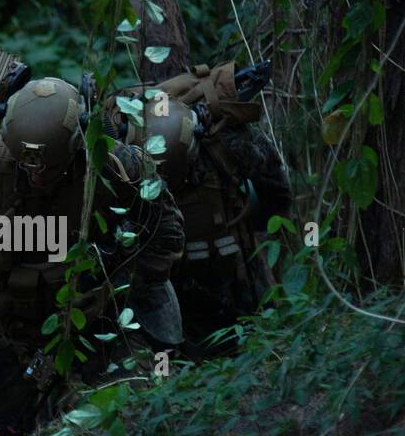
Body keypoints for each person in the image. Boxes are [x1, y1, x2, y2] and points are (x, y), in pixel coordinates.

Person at [0, 76, 184, 436]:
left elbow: (167, 232)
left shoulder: (118, 166)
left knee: (128, 419)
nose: (35, 175)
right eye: (26, 164)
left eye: (46, 167)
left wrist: (120, 288)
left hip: (96, 323)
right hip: (5, 326)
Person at [121, 72, 291, 355]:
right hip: (168, 285)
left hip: (234, 273)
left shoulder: (228, 145)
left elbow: (277, 190)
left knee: (254, 342)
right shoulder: (127, 161)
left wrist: (259, 239)